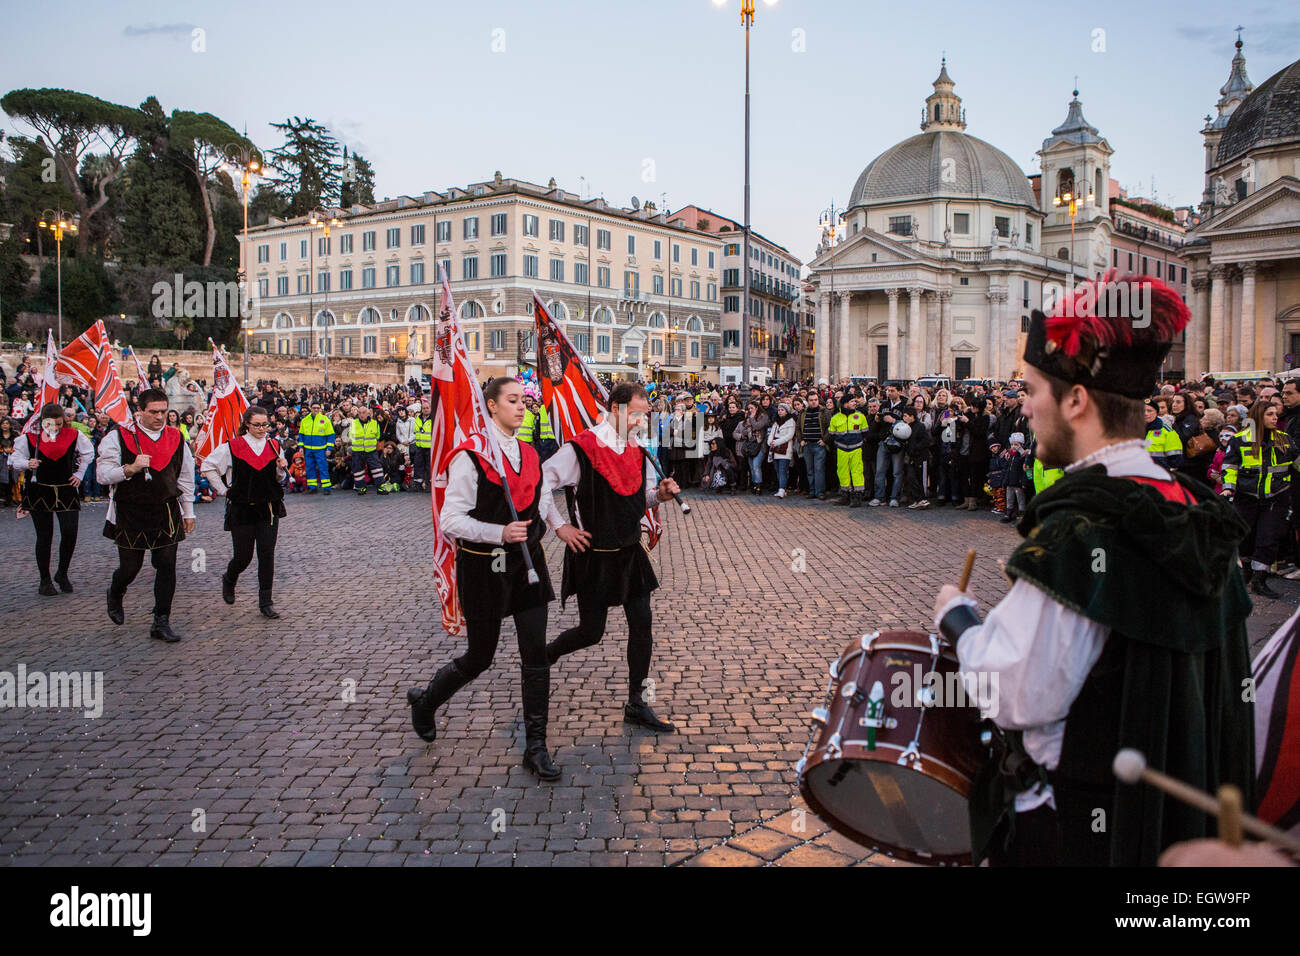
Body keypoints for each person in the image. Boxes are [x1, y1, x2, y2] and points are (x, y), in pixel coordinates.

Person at [932, 274, 1254, 866]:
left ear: (1076, 400)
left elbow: (1011, 692)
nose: (1022, 407)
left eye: (1031, 390)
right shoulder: (1199, 514)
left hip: (1077, 834)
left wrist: (958, 619)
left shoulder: (1079, 528)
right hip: (1178, 829)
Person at [406, 379, 561, 779]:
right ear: (490, 405)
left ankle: (537, 746)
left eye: (524, 401)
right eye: (512, 401)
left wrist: (540, 520)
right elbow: (451, 519)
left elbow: (541, 497)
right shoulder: (471, 456)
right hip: (486, 563)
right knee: (481, 657)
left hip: (527, 563)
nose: (522, 408)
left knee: (535, 654)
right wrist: (499, 532)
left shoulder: (529, 452)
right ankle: (425, 702)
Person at [540, 382, 680, 733]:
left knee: (643, 624)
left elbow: (636, 499)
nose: (639, 422)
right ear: (615, 409)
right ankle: (543, 658)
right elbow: (541, 481)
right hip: (594, 556)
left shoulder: (638, 450)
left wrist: (658, 496)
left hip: (629, 552)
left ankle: (637, 702)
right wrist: (560, 527)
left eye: (643, 416)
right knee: (591, 632)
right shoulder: (583, 448)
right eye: (635, 414)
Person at [98, 388, 196, 643]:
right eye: (153, 412)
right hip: (131, 510)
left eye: (163, 411)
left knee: (166, 566)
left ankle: (161, 620)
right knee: (130, 567)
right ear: (139, 411)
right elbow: (102, 475)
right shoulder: (117, 437)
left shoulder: (176, 438)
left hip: (165, 510)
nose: (160, 416)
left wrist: (189, 511)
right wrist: (129, 469)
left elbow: (185, 477)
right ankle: (116, 590)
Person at [200, 406, 288, 619]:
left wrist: (280, 468)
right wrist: (223, 490)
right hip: (242, 508)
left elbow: (279, 479)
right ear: (247, 424)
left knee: (267, 554)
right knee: (243, 556)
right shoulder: (233, 446)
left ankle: (266, 601)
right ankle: (230, 578)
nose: (261, 429)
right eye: (257, 425)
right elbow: (207, 466)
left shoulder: (274, 445)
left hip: (268, 507)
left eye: (265, 424)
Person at [9, 404, 93, 595]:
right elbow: (14, 461)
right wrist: (27, 463)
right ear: (42, 422)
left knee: (70, 531)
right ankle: (44, 580)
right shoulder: (29, 438)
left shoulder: (73, 435)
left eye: (59, 424)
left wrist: (79, 474)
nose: (55, 428)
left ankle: (62, 573)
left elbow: (88, 453)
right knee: (45, 536)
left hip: (66, 489)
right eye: (50, 424)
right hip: (40, 490)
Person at [1221, 399, 1298, 599]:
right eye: (1270, 414)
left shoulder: (1284, 439)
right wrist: (1228, 488)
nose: (1275, 418)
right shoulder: (1240, 439)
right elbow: (1230, 466)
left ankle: (1259, 580)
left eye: (1275, 414)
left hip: (1276, 497)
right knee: (1245, 539)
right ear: (1258, 417)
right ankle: (1247, 571)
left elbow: (1297, 462)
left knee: (1269, 538)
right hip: (1247, 497)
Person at [828, 394, 869, 507]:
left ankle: (857, 496)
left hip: (856, 449)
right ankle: (845, 495)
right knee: (842, 472)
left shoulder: (860, 416)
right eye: (851, 401)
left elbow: (865, 433)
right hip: (841, 449)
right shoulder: (835, 418)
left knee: (857, 472)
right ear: (845, 403)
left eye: (854, 401)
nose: (854, 403)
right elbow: (831, 434)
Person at [798, 391, 832, 500]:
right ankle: (812, 491)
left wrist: (824, 440)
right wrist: (801, 440)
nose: (813, 402)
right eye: (811, 400)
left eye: (815, 400)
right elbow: (798, 428)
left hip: (819, 445)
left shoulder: (824, 411)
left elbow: (830, 428)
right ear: (807, 401)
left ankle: (820, 492)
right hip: (807, 444)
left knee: (819, 469)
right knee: (809, 470)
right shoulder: (803, 412)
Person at [297, 400, 335, 494]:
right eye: (314, 408)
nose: (316, 409)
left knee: (323, 468)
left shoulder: (325, 419)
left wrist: (329, 449)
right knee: (310, 468)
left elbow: (331, 435)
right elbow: (301, 435)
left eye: (318, 408)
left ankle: (326, 488)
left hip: (320, 449)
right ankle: (312, 487)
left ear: (320, 409)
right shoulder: (305, 420)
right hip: (308, 449)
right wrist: (301, 447)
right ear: (310, 408)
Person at [349, 404, 386, 495]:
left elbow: (377, 436)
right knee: (358, 470)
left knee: (377, 468)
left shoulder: (374, 423)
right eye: (360, 413)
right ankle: (361, 487)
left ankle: (380, 487)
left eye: (364, 412)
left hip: (371, 451)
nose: (362, 414)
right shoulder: (354, 423)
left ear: (368, 413)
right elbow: (350, 437)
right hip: (357, 451)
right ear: (358, 413)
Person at [1143, 399, 1184, 471]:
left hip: (1158, 474)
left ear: (1156, 413)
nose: (1146, 413)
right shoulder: (1132, 430)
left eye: (1149, 411)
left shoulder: (1167, 431)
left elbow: (1175, 458)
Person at [767, 403, 796, 498]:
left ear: (787, 411)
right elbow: (772, 433)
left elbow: (789, 436)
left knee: (783, 470)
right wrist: (770, 441)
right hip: (775, 449)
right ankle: (782, 487)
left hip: (785, 449)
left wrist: (776, 442)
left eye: (782, 410)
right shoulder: (776, 422)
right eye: (779, 410)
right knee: (777, 470)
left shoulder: (791, 422)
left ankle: (782, 489)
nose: (780, 412)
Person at [411, 397, 433, 491]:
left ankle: (428, 485)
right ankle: (418, 485)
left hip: (429, 447)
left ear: (430, 408)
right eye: (424, 408)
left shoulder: (433, 418)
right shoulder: (418, 418)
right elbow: (415, 431)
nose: (425, 409)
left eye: (427, 408)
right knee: (418, 466)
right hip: (419, 447)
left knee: (429, 467)